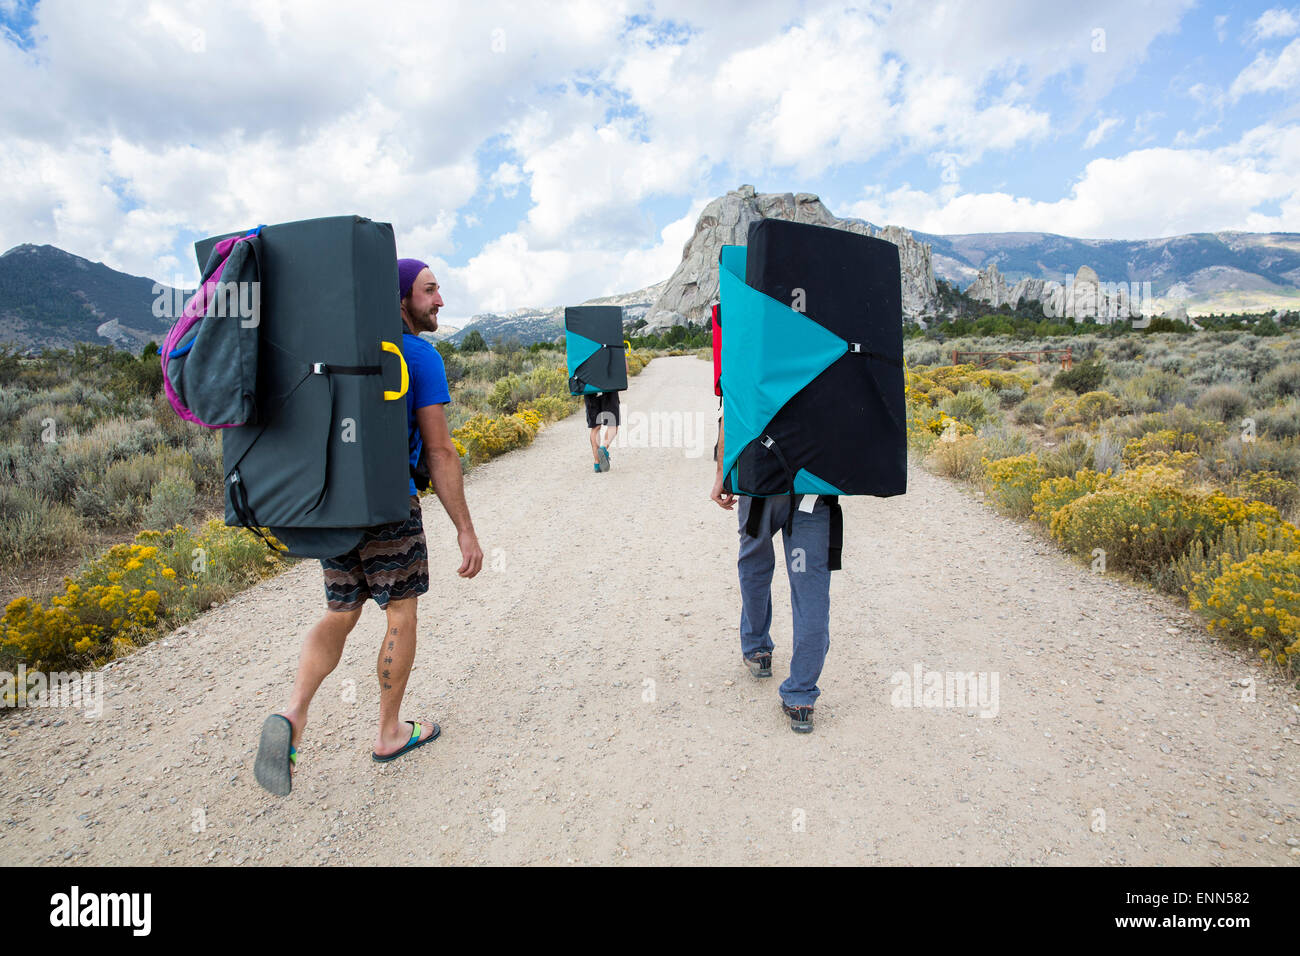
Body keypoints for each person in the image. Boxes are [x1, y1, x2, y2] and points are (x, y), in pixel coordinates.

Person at [254, 257, 484, 795]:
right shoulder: (418, 356)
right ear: (401, 299)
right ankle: (388, 732)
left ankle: (293, 714)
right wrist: (465, 529)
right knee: (400, 611)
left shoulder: (336, 352)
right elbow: (441, 450)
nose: (440, 301)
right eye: (430, 291)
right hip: (389, 506)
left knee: (340, 612)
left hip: (335, 506)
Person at [711, 412, 832, 733]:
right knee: (809, 585)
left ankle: (757, 650)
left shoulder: (749, 358)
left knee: (756, 566)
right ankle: (801, 695)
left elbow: (731, 417)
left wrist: (722, 475)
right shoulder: (829, 359)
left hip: (761, 484)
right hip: (812, 488)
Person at [585, 346, 628, 473]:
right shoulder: (612, 342)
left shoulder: (584, 342)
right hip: (609, 387)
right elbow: (625, 370)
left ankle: (597, 463)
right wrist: (622, 353)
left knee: (595, 427)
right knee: (612, 424)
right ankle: (604, 448)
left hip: (590, 388)